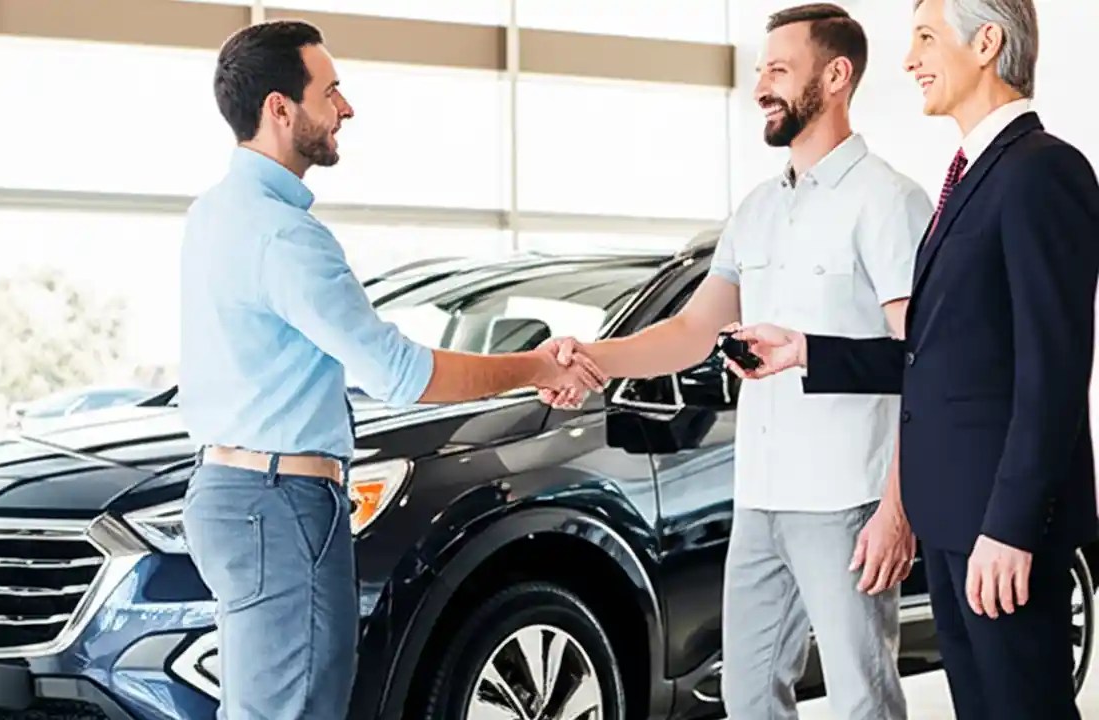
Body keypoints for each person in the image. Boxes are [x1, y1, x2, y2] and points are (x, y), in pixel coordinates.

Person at [177, 20, 604, 720]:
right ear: (280, 109)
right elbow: (400, 373)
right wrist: (533, 366)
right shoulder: (285, 234)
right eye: (331, 90)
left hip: (231, 490)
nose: (346, 108)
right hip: (279, 503)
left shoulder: (215, 213)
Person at [540, 4, 932, 718]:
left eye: (778, 70)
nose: (760, 88)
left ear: (837, 76)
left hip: (848, 501)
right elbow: (692, 330)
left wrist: (897, 509)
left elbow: (923, 361)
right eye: (759, 72)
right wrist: (590, 355)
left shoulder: (890, 202)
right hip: (757, 498)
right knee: (749, 698)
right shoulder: (755, 210)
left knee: (860, 700)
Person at [728, 1, 1099, 717]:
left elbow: (1053, 374)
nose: (907, 62)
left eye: (926, 39)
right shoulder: (970, 176)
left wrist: (1011, 528)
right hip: (958, 522)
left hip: (999, 528)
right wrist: (807, 351)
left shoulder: (1042, 172)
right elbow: (937, 356)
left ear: (986, 43)